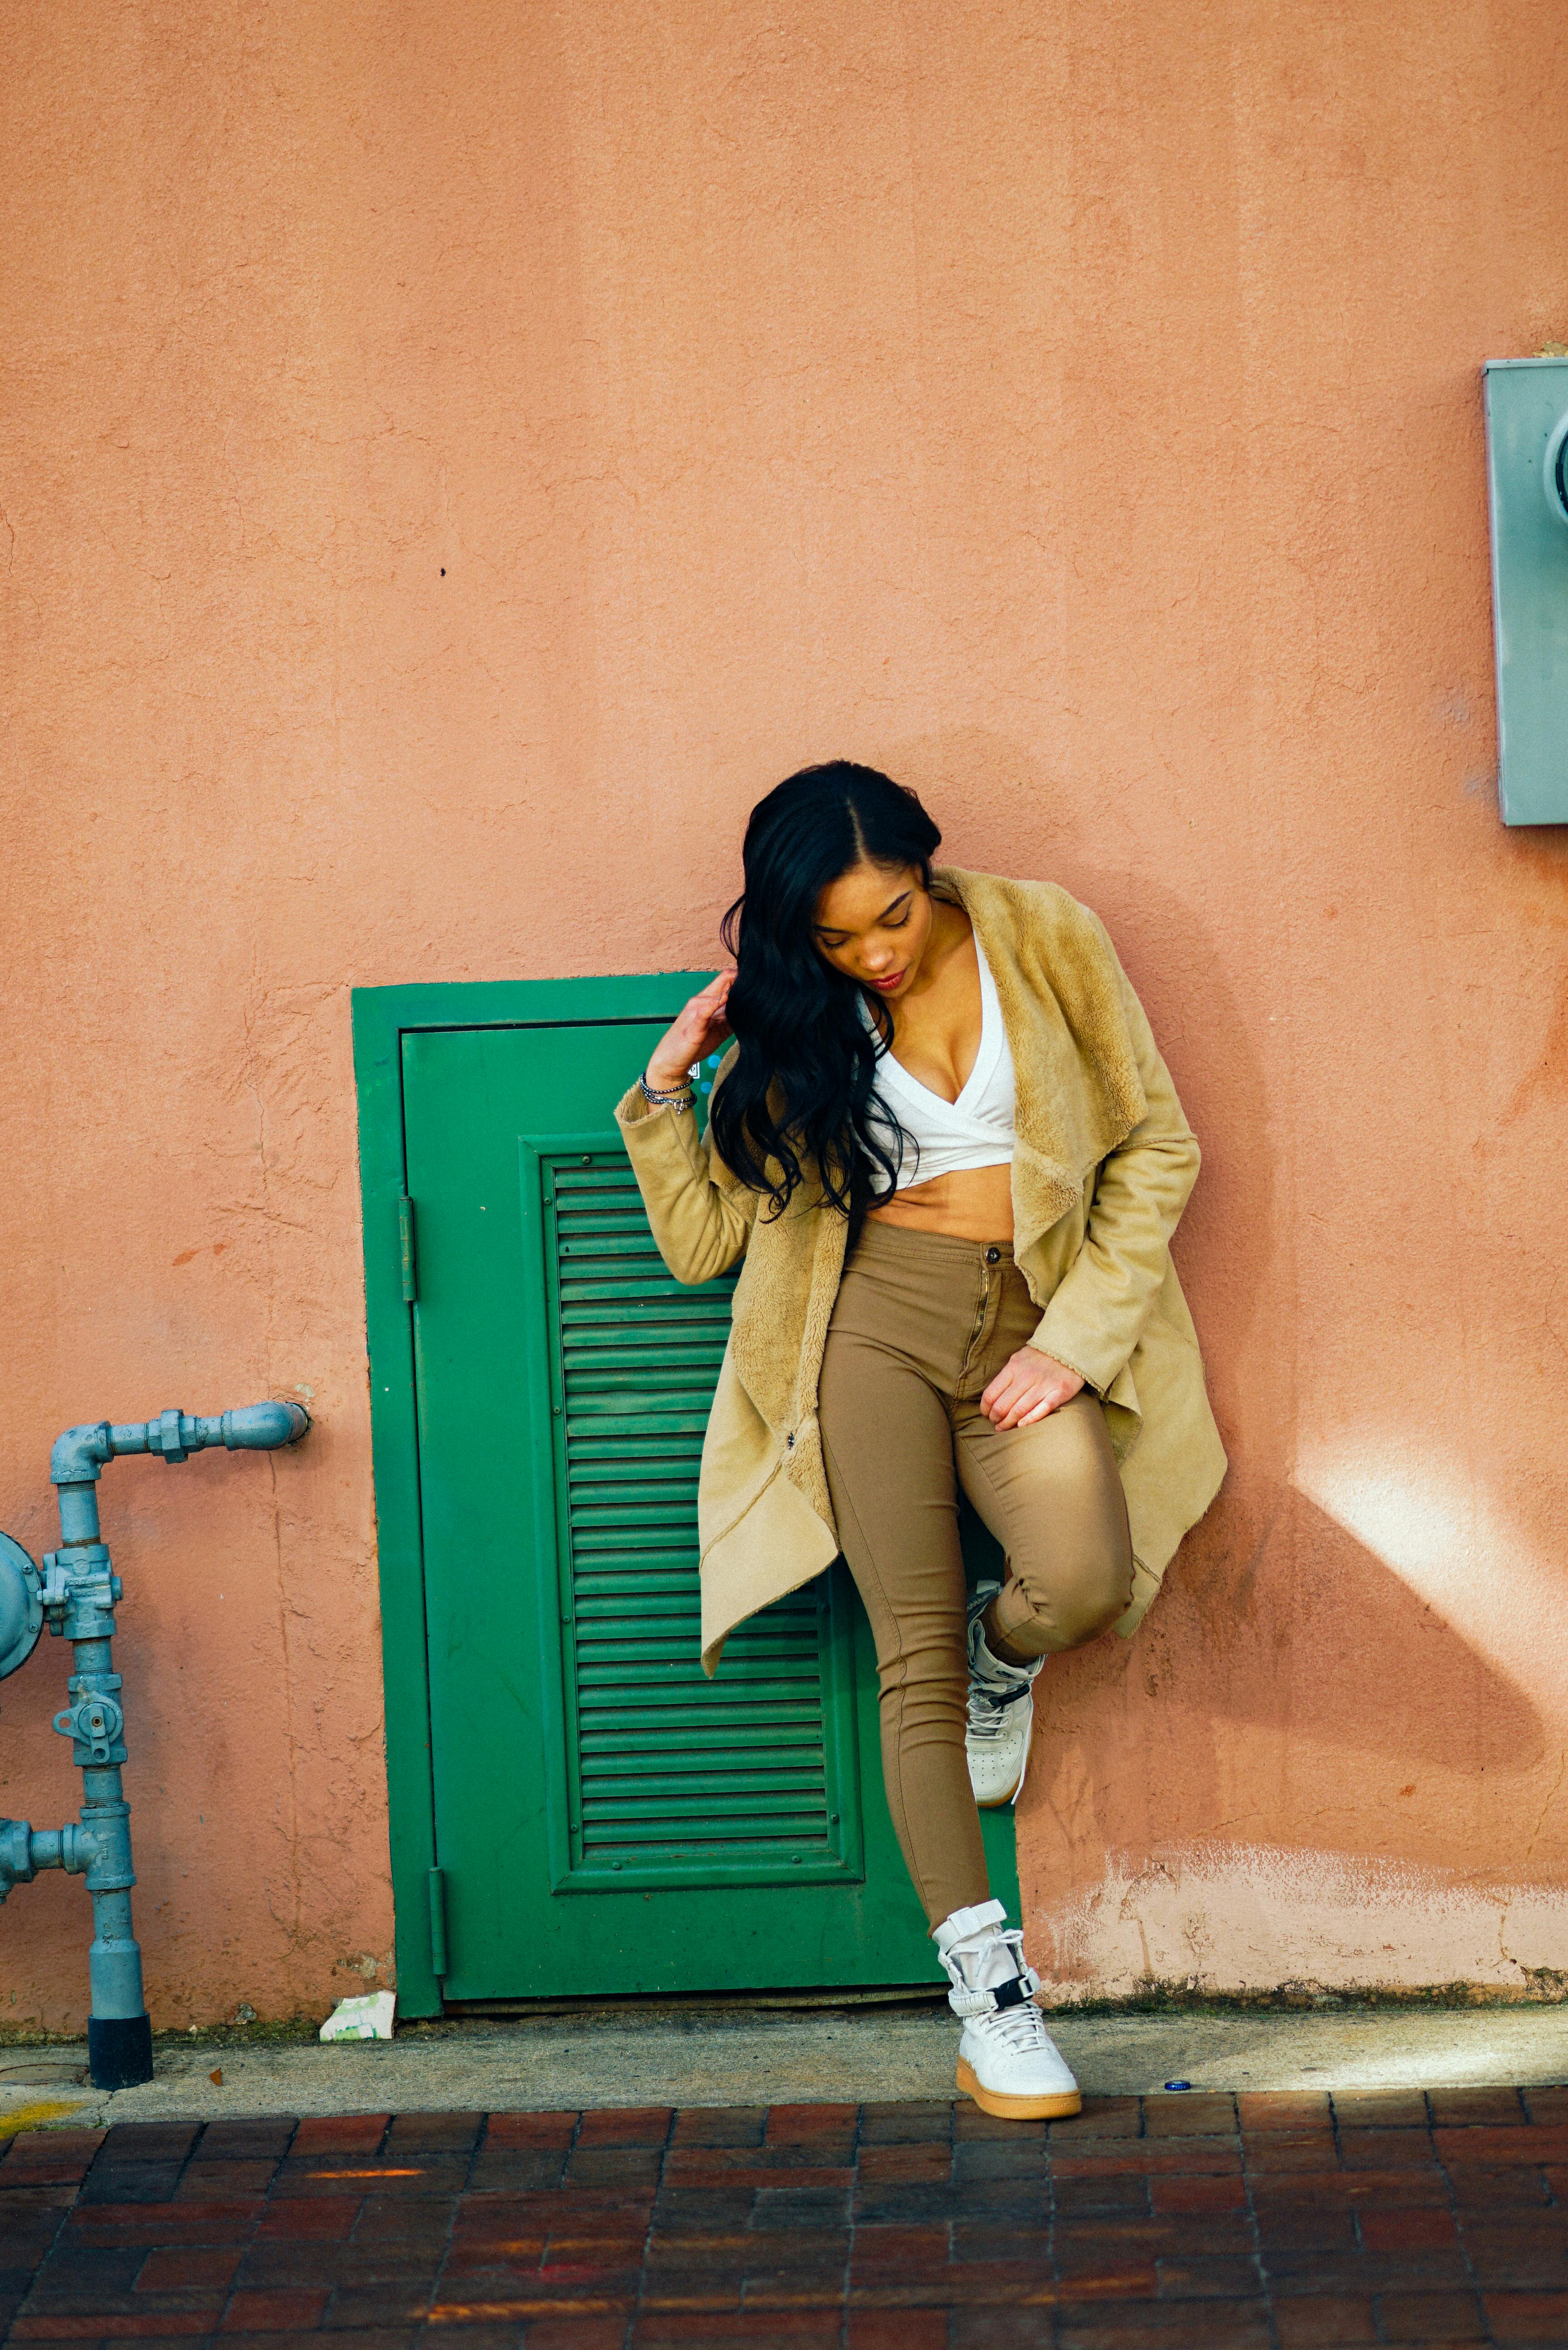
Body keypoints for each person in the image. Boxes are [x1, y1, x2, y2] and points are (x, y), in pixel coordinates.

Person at [615, 762, 1226, 2120]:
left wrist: (1072, 1340)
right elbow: (703, 1242)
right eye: (837, 938)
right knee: (906, 1659)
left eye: (890, 916)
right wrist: (665, 1091)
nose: (874, 955)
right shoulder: (801, 1013)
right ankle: (991, 1997)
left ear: (928, 867)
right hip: (871, 1325)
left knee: (1076, 1583)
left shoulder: (1045, 933)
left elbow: (1156, 1148)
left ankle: (996, 1651)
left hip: (1031, 1321)